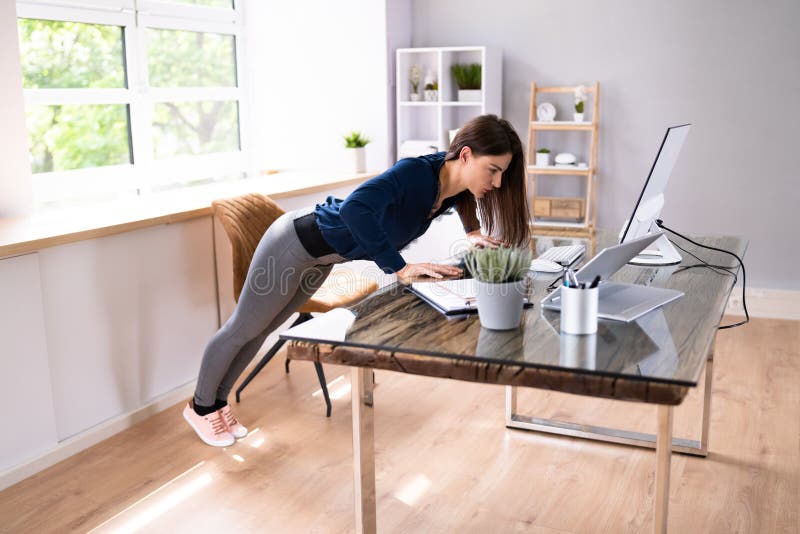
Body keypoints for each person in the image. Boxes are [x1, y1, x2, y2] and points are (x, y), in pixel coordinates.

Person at [183, 114, 531, 446]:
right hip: (293, 242)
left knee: (262, 329)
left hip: (321, 259)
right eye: (494, 170)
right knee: (243, 327)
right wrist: (399, 267)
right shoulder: (415, 173)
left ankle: (218, 403)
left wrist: (472, 232)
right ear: (467, 156)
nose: (498, 182)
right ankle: (200, 407)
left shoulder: (450, 186)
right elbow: (354, 209)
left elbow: (460, 198)